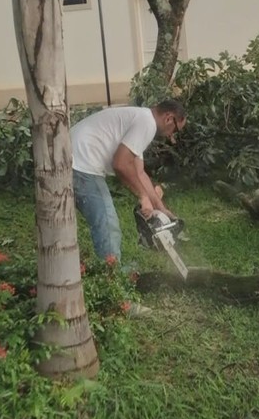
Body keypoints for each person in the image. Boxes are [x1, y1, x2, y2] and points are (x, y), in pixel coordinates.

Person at [70, 99, 186, 294]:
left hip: (76, 160)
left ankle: (112, 272)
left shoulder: (141, 118)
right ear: (169, 118)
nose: (172, 136)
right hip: (80, 165)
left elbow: (139, 173)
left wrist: (160, 207)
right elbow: (121, 164)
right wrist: (142, 197)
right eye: (175, 130)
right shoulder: (146, 123)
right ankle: (112, 287)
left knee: (106, 221)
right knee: (107, 224)